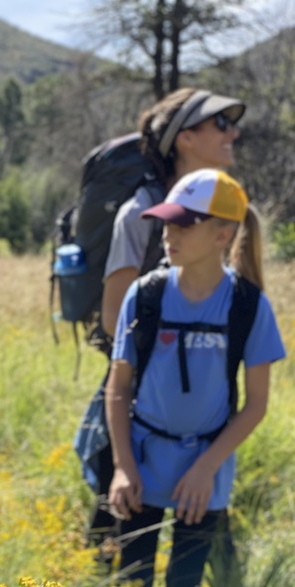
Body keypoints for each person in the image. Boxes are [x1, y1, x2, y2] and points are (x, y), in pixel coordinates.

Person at [105, 169, 285, 587]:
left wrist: (206, 468)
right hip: (142, 466)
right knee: (131, 583)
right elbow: (117, 390)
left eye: (184, 225)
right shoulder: (146, 294)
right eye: (166, 223)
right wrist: (122, 467)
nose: (170, 235)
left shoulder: (249, 307)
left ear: (223, 235)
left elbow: (256, 406)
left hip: (204, 476)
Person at [87, 87, 247, 558]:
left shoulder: (226, 209)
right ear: (185, 139)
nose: (232, 132)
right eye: (219, 123)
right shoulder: (139, 213)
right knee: (122, 508)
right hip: (140, 390)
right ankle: (110, 586)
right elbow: (115, 316)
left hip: (205, 386)